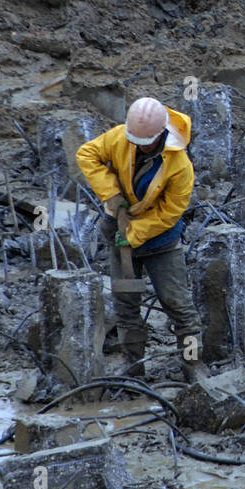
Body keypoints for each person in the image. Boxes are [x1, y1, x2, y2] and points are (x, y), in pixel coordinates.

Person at [76, 96, 204, 380]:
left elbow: (171, 213)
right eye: (134, 140)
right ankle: (134, 369)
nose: (138, 145)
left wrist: (133, 234)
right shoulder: (122, 137)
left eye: (144, 142)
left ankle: (193, 366)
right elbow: (87, 154)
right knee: (126, 305)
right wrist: (111, 193)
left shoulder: (180, 164)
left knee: (179, 306)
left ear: (160, 134)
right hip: (119, 235)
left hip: (162, 243)